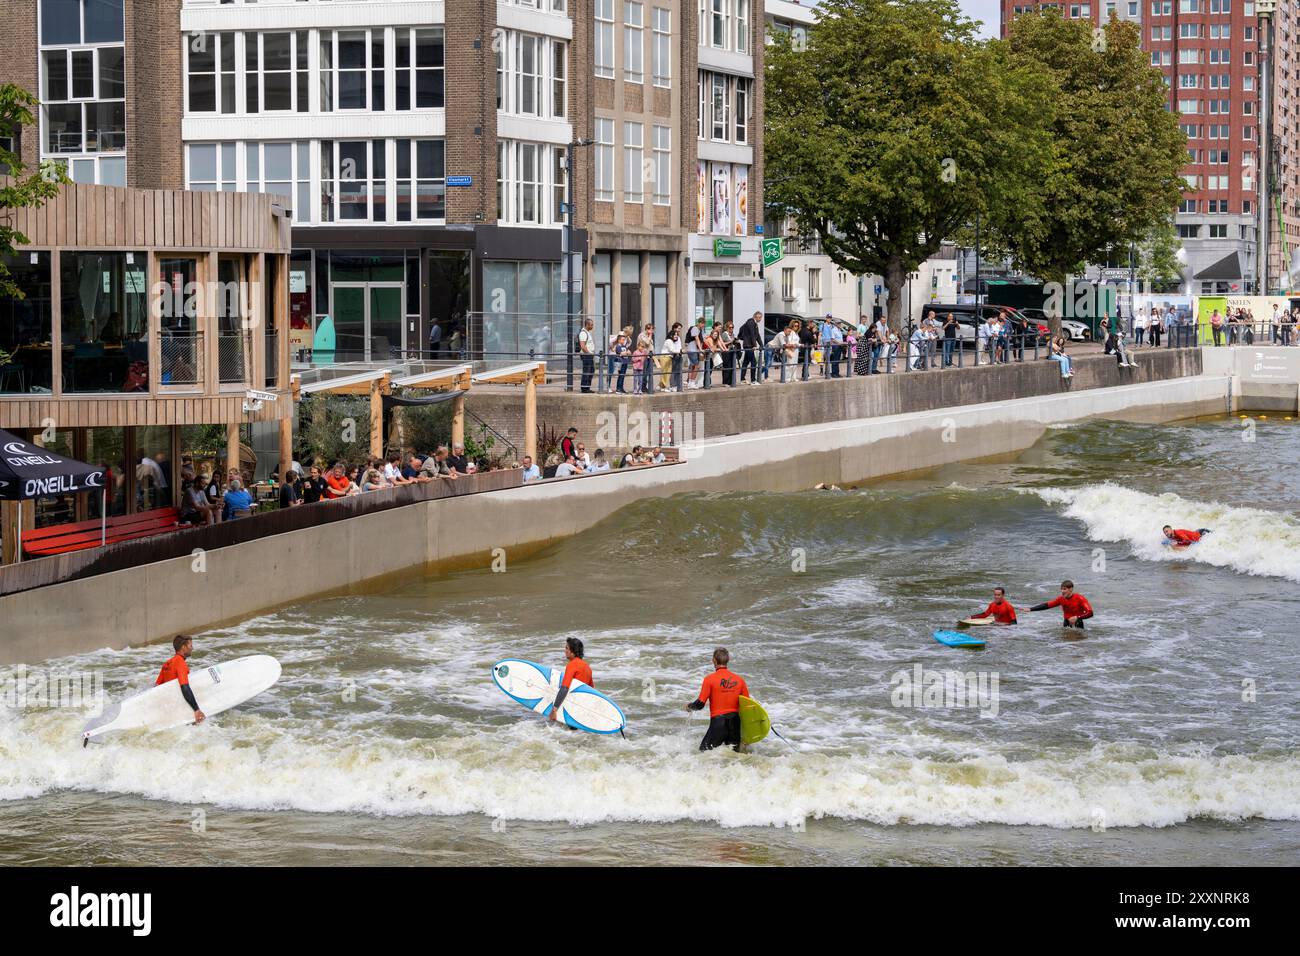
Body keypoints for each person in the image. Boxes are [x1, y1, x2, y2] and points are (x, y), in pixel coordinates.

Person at [685, 647, 750, 752]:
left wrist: (690, 707)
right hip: (735, 724)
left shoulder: (709, 679)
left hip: (718, 723)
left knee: (703, 753)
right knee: (734, 757)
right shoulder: (740, 680)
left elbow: (700, 703)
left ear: (714, 660)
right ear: (727, 660)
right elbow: (747, 705)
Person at [157, 635, 205, 724]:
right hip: (179, 705)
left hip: (169, 706)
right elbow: (184, 687)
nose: (192, 648)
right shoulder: (180, 663)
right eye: (190, 646)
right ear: (183, 647)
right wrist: (196, 710)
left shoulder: (167, 664)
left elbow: (157, 686)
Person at [549, 637, 593, 723]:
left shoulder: (572, 665)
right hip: (581, 708)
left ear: (573, 651)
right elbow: (591, 690)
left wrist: (554, 710)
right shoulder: (587, 667)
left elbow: (564, 688)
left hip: (571, 707)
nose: (565, 651)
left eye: (567, 648)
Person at [1029, 580, 1094, 629]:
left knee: (1077, 644)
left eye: (1064, 589)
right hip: (1066, 624)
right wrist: (1030, 609)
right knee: (1065, 645)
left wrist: (1077, 617)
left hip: (1078, 623)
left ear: (1071, 589)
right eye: (1061, 589)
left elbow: (1090, 613)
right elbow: (1047, 605)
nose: (1062, 591)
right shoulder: (1061, 599)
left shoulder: (1080, 598)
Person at [738, 311, 762, 384]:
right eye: (759, 317)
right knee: (754, 362)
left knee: (745, 362)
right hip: (749, 346)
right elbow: (752, 334)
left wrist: (761, 345)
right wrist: (754, 345)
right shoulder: (751, 322)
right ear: (756, 317)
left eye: (761, 317)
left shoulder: (752, 323)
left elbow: (757, 335)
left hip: (748, 345)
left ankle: (742, 379)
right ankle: (753, 381)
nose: (760, 319)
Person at [578, 317, 597, 393]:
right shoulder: (583, 333)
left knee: (591, 370)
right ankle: (584, 388)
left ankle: (587, 387)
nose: (592, 326)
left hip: (589, 355)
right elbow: (583, 345)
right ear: (587, 325)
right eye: (591, 325)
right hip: (586, 355)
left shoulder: (587, 332)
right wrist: (588, 353)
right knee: (587, 371)